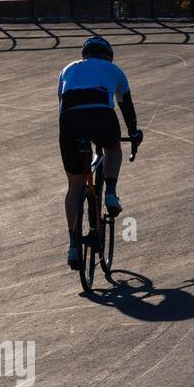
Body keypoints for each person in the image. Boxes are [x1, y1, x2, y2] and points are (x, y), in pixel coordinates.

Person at [57, 35, 142, 268]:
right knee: (112, 146)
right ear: (108, 55)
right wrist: (134, 133)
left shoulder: (67, 69)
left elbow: (62, 103)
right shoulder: (113, 69)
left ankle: (73, 246)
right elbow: (127, 106)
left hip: (70, 121)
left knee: (74, 186)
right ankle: (111, 193)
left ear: (84, 55)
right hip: (101, 117)